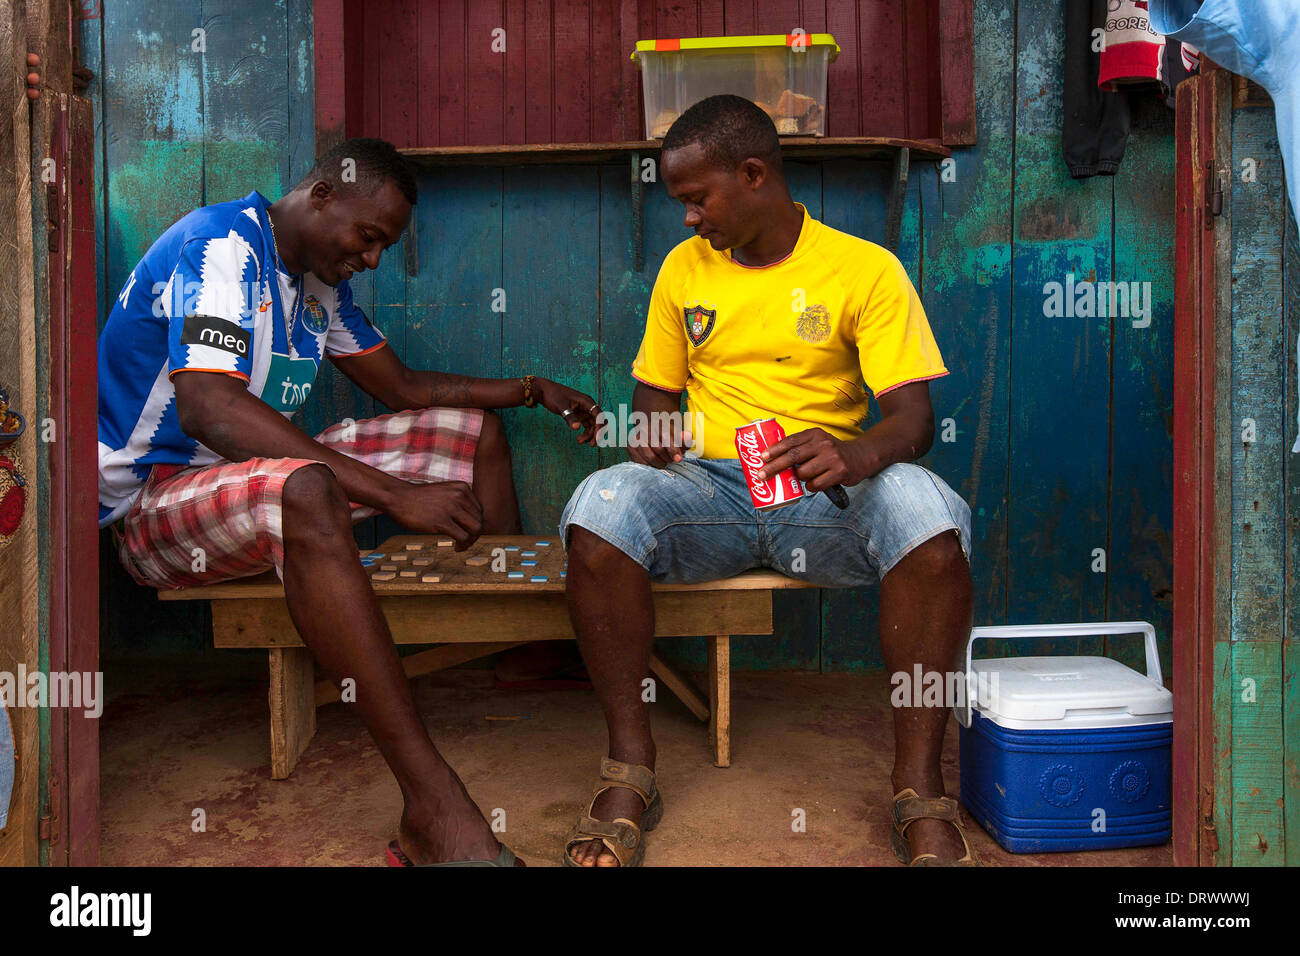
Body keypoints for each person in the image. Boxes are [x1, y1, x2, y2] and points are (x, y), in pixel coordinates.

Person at [97, 137, 601, 866]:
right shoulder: (223, 247)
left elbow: (403, 389)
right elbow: (209, 408)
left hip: (253, 480)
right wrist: (397, 496)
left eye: (384, 248)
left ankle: (526, 650)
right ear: (323, 195)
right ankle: (433, 806)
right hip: (156, 504)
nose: (371, 259)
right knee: (306, 487)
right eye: (369, 238)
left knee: (472, 434)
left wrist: (529, 391)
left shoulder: (317, 288)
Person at [559, 95, 977, 867]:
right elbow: (653, 400)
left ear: (753, 174)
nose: (688, 219)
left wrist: (856, 454)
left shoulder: (863, 269)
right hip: (709, 494)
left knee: (928, 513)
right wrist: (648, 435)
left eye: (696, 199)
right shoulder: (686, 271)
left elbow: (913, 421)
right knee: (601, 508)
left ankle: (921, 791)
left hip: (826, 498)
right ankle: (629, 771)